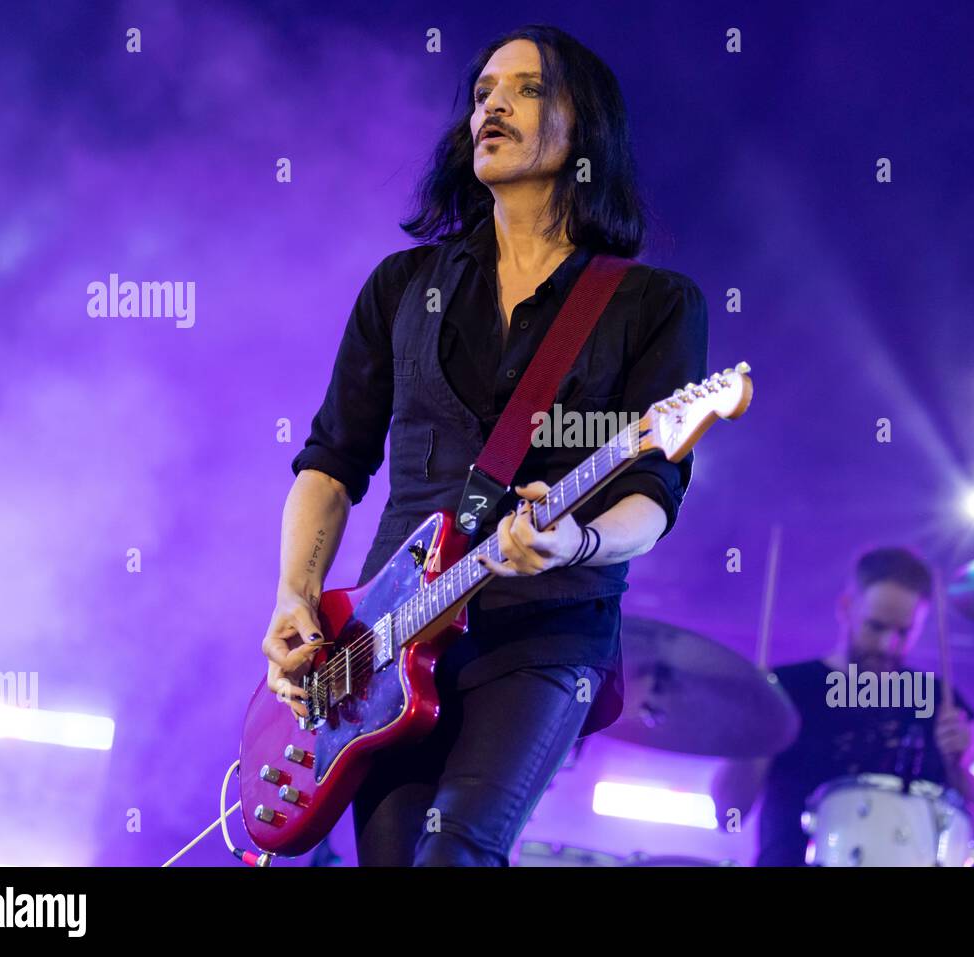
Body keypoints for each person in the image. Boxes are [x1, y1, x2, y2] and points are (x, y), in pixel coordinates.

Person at [260, 24, 708, 866]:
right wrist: (295, 593)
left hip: (543, 632)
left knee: (457, 847)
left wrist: (575, 538)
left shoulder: (652, 304)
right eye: (481, 93)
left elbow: (653, 492)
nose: (492, 106)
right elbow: (330, 460)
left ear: (587, 131)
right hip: (383, 643)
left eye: (528, 89)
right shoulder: (404, 286)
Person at [711, 546, 974, 866]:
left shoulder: (940, 701)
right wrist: (753, 742)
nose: (887, 645)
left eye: (903, 632)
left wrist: (962, 769)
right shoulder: (783, 689)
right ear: (846, 608)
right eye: (876, 627)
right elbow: (729, 815)